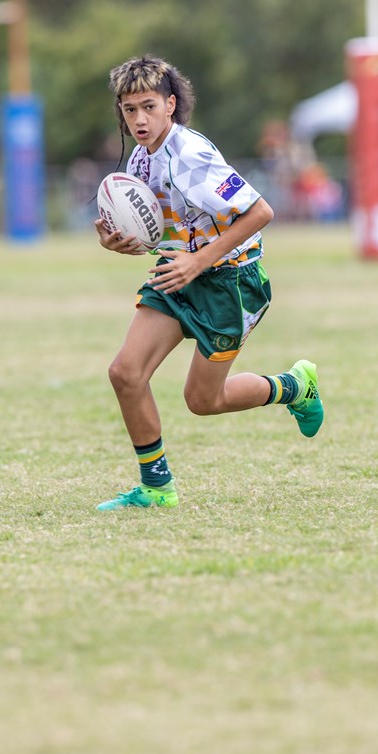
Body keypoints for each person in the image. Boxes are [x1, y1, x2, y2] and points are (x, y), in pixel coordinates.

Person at [93, 55, 322, 511]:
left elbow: (261, 212)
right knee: (125, 373)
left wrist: (197, 262)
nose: (139, 119)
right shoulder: (141, 158)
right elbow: (158, 228)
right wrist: (120, 241)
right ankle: (157, 488)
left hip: (231, 283)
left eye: (149, 107)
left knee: (203, 400)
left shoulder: (192, 156)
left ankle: (294, 387)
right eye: (129, 109)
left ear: (171, 105)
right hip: (178, 274)